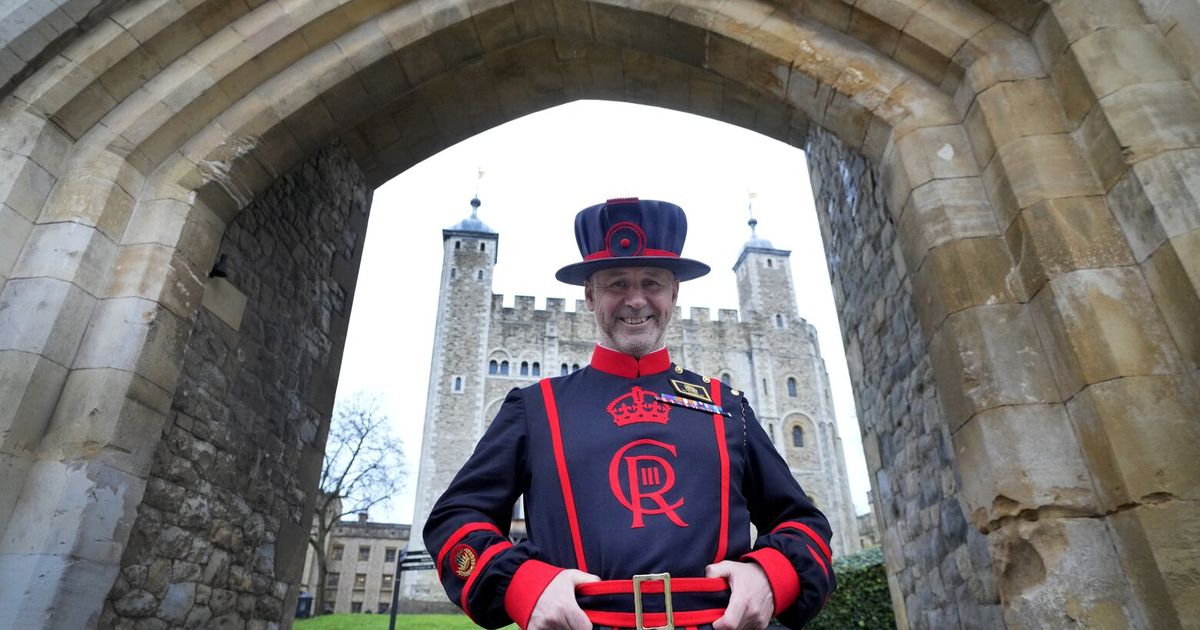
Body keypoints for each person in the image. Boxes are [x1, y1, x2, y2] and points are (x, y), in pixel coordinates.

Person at [425, 198, 835, 629]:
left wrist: (770, 576)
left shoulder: (728, 407)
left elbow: (803, 523)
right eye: (617, 283)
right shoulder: (534, 408)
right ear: (590, 296)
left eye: (652, 283)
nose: (636, 300)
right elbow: (455, 521)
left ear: (674, 292)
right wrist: (523, 586)